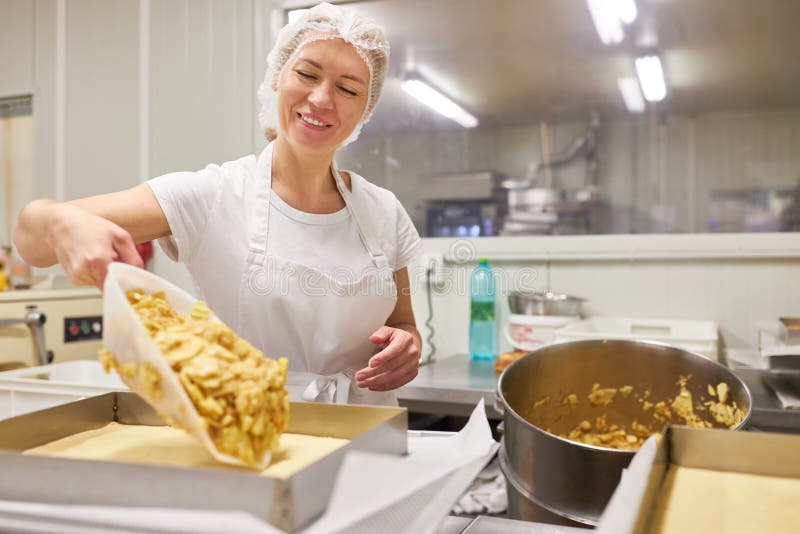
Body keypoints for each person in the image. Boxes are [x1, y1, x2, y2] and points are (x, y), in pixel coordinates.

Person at [13, 2, 422, 406]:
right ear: (277, 76)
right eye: (307, 73)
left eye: (347, 88)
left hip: (370, 441)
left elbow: (403, 323)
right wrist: (61, 225)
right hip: (251, 438)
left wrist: (408, 345)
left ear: (365, 110)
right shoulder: (213, 196)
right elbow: (31, 237)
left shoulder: (382, 211)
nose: (320, 98)